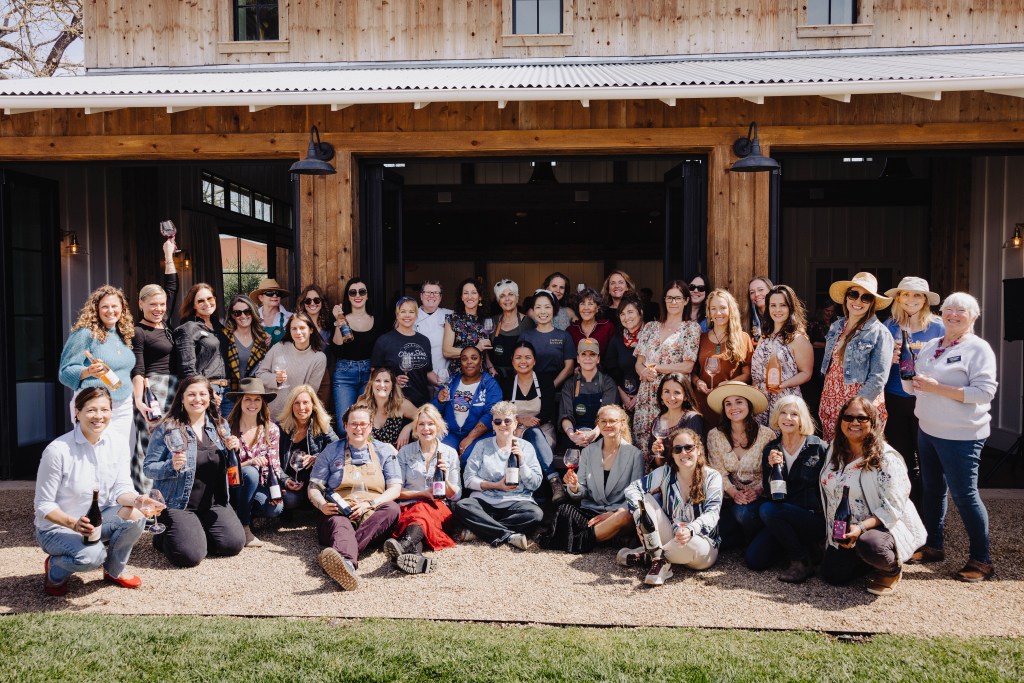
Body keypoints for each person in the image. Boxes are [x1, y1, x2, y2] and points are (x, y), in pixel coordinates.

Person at [909, 292, 998, 582]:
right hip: (928, 429)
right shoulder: (932, 345)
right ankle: (933, 545)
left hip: (961, 435)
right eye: (949, 310)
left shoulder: (978, 349)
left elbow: (984, 392)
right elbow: (916, 387)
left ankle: (981, 560)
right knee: (932, 489)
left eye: (961, 310)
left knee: (965, 495)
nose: (954, 315)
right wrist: (910, 377)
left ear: (974, 316)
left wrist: (938, 389)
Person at [34, 387, 147, 596]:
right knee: (92, 557)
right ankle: (56, 570)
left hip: (95, 521)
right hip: (57, 528)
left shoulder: (118, 443)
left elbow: (122, 489)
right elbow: (43, 506)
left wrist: (139, 500)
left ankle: (114, 571)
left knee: (136, 515)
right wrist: (73, 523)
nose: (99, 416)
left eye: (105, 409)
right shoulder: (57, 450)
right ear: (77, 412)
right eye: (91, 410)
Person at [819, 397, 926, 596]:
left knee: (871, 545)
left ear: (873, 422)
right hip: (843, 532)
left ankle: (891, 568)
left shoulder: (886, 459)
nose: (854, 423)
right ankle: (865, 560)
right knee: (833, 576)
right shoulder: (835, 449)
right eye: (848, 417)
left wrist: (860, 529)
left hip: (880, 529)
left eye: (862, 418)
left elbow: (893, 508)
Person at [144, 375, 246, 568]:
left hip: (213, 503)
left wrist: (235, 448)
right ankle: (165, 537)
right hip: (178, 503)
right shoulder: (167, 427)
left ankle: (194, 529)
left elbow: (227, 464)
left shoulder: (220, 426)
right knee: (189, 556)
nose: (197, 399)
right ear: (181, 398)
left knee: (232, 545)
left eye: (202, 394)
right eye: (191, 394)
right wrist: (170, 466)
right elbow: (149, 468)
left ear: (210, 397)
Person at [308, 405, 402, 591]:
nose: (358, 429)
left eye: (363, 424)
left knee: (392, 509)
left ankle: (340, 555)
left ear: (370, 427)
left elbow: (395, 489)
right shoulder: (331, 450)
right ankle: (348, 565)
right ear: (345, 425)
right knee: (340, 523)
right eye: (353, 424)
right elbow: (313, 487)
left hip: (372, 513)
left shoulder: (384, 450)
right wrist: (321, 505)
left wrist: (370, 504)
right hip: (339, 512)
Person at [619, 428, 723, 586]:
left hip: (701, 544)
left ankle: (651, 555)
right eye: (677, 449)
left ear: (699, 450)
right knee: (644, 500)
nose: (683, 453)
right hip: (671, 534)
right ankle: (660, 561)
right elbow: (632, 489)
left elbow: (713, 513)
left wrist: (691, 529)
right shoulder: (665, 472)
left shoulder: (713, 477)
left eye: (688, 447)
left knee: (691, 544)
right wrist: (640, 517)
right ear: (672, 454)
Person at [744, 395, 827, 583]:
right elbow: (771, 491)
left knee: (767, 509)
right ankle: (798, 547)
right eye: (783, 412)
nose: (788, 418)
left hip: (810, 517)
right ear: (777, 417)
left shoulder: (818, 447)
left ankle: (800, 561)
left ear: (802, 419)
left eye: (794, 414)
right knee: (754, 560)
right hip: (781, 516)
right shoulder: (771, 449)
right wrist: (773, 468)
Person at [542, 405, 644, 553]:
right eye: (603, 421)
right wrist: (575, 486)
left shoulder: (635, 454)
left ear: (622, 424)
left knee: (625, 516)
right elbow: (582, 492)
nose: (607, 425)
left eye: (612, 421)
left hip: (617, 514)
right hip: (591, 511)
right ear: (598, 424)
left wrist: (612, 513)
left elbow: (636, 495)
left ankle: (582, 540)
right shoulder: (589, 451)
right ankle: (608, 537)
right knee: (564, 510)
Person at [882, 277, 944, 505]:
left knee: (928, 457)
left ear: (925, 300)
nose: (911, 299)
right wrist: (889, 359)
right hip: (896, 397)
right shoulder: (889, 326)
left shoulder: (938, 327)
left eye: (917, 295)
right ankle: (910, 508)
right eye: (905, 294)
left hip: (926, 400)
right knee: (902, 456)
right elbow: (877, 365)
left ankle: (931, 512)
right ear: (898, 298)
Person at [59, 285, 136, 462]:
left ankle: (117, 490)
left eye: (115, 306)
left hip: (123, 404)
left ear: (122, 309)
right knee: (96, 455)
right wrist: (87, 371)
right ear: (96, 310)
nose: (111, 311)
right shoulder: (85, 333)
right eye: (105, 307)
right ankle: (93, 491)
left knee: (121, 454)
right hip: (95, 404)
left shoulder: (122, 334)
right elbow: (65, 372)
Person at [384, 404, 463, 574]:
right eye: (421, 424)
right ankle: (416, 557)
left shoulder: (449, 453)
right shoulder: (405, 452)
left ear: (438, 426)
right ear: (416, 428)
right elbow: (397, 491)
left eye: (431, 424)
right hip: (409, 507)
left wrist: (446, 475)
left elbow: (456, 496)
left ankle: (403, 544)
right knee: (419, 514)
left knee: (421, 511)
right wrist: (422, 493)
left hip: (440, 508)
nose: (426, 428)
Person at [455, 402, 544, 549]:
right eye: (498, 421)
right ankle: (508, 535)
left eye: (507, 421)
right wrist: (496, 485)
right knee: (463, 506)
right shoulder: (482, 446)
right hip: (485, 502)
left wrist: (521, 463)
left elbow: (535, 483)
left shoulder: (526, 447)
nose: (503, 424)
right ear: (493, 425)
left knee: (535, 514)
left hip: (517, 501)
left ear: (515, 424)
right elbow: (468, 479)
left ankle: (480, 530)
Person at [819, 272, 895, 442]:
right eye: (853, 294)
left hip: (860, 406)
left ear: (872, 303)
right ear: (846, 298)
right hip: (831, 402)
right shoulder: (836, 326)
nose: (858, 301)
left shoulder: (880, 333)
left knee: (859, 457)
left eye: (865, 297)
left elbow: (878, 378)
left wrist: (855, 406)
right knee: (834, 457)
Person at [129, 238, 179, 491]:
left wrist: (168, 253)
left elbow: (172, 286)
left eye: (161, 304)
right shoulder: (139, 332)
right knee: (148, 443)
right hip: (153, 390)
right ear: (141, 304)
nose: (159, 308)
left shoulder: (165, 322)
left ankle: (168, 495)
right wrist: (139, 401)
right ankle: (145, 497)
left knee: (172, 442)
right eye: (153, 305)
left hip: (174, 387)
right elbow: (137, 369)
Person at [705, 381, 776, 549]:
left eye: (739, 402)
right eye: (728, 403)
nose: (733, 407)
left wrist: (759, 489)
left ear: (748, 406)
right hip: (730, 496)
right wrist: (734, 492)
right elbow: (717, 472)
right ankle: (747, 537)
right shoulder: (715, 435)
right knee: (719, 538)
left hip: (761, 495)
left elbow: (773, 470)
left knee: (743, 514)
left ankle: (760, 540)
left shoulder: (766, 434)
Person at [632, 281, 700, 454]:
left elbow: (687, 365)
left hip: (671, 396)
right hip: (646, 394)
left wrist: (656, 368)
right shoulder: (649, 327)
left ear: (686, 301)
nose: (673, 302)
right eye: (669, 298)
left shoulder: (691, 328)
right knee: (643, 444)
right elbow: (639, 363)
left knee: (667, 446)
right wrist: (644, 372)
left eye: (678, 298)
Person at [500, 340, 566, 503]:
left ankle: (538, 496)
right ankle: (553, 482)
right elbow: (502, 412)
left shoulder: (544, 381)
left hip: (542, 430)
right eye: (518, 357)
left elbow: (547, 410)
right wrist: (520, 420)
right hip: (515, 430)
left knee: (534, 435)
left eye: (528, 357)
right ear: (512, 360)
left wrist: (532, 422)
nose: (523, 361)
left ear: (534, 361)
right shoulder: (508, 384)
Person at [224, 378, 284, 547]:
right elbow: (220, 469)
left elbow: (275, 465)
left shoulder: (271, 429)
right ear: (239, 401)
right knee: (250, 473)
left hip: (258, 484)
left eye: (257, 399)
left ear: (263, 403)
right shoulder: (227, 428)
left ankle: (238, 514)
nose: (253, 403)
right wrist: (248, 463)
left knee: (275, 509)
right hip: (231, 486)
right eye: (248, 399)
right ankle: (244, 526)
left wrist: (276, 487)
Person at [749, 285, 814, 426]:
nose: (777, 310)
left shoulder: (798, 339)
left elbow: (806, 373)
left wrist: (783, 385)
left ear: (791, 307)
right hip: (760, 401)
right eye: (773, 305)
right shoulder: (764, 337)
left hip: (785, 402)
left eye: (782, 305)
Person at [692, 288, 754, 430]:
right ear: (709, 312)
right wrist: (698, 382)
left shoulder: (742, 338)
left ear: (730, 310)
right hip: (702, 402)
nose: (718, 313)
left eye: (722, 308)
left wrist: (730, 384)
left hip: (730, 404)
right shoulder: (700, 338)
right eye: (713, 308)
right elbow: (692, 372)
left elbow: (747, 374)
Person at [331, 276, 384, 430]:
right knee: (343, 425)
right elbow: (337, 349)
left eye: (362, 291)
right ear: (348, 297)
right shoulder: (342, 319)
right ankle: (347, 453)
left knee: (365, 422)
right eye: (352, 292)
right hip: (344, 374)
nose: (358, 295)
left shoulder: (377, 320)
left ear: (367, 295)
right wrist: (338, 320)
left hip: (369, 374)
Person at [277, 384, 339, 513]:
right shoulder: (281, 428)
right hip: (290, 482)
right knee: (289, 500)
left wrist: (318, 457)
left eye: (306, 403)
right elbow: (274, 462)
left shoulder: (323, 426)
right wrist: (285, 480)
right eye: (297, 403)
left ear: (313, 405)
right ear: (291, 406)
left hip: (315, 482)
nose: (301, 408)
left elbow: (338, 448)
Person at [434, 346, 501, 463]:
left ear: (481, 361)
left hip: (479, 435)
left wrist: (470, 437)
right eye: (464, 359)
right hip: (452, 433)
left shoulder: (489, 384)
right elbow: (433, 410)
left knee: (468, 457)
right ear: (460, 362)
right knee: (440, 456)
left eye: (474, 358)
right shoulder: (451, 381)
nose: (469, 362)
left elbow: (492, 414)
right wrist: (439, 401)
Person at [371, 296, 440, 407]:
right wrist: (392, 380)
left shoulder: (424, 341)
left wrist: (440, 382)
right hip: (394, 402)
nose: (407, 315)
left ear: (416, 315)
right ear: (397, 314)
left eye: (411, 312)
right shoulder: (384, 341)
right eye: (403, 311)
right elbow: (374, 373)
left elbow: (428, 372)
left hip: (421, 401)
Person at [257, 311, 328, 418]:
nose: (298, 332)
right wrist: (274, 379)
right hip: (271, 414)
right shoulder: (279, 347)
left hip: (296, 417)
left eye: (302, 328)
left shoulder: (319, 358)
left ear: (311, 330)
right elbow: (259, 375)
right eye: (293, 328)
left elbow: (310, 393)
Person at [559, 338, 619, 455]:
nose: (588, 358)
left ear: (598, 359)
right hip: (575, 435)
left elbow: (607, 417)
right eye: (583, 354)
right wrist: (572, 436)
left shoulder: (607, 383)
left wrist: (594, 434)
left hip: (601, 433)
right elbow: (566, 416)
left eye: (592, 354)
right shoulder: (569, 384)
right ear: (578, 359)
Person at [173, 283, 230, 406]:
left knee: (226, 426)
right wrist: (206, 392)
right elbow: (187, 369)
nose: (207, 303)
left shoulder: (220, 328)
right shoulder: (188, 329)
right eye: (200, 301)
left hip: (228, 390)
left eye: (210, 298)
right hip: (206, 390)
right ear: (193, 305)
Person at [220, 294, 270, 417]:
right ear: (232, 315)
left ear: (252, 312)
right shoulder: (225, 336)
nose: (243, 316)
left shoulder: (262, 338)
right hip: (230, 394)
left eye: (247, 311)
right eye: (238, 313)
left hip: (253, 394)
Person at [518, 289, 576, 390]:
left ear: (554, 310)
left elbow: (569, 368)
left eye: (547, 307)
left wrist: (551, 386)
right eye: (538, 307)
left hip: (559, 390)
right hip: (530, 388)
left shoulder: (564, 336)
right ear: (533, 310)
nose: (543, 311)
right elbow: (518, 363)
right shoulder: (525, 336)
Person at [647, 373, 704, 469]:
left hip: (687, 476)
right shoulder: (657, 421)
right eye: (667, 391)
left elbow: (698, 457)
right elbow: (658, 465)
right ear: (661, 395)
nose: (671, 397)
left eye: (677, 392)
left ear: (685, 396)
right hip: (664, 476)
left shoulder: (693, 419)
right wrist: (658, 453)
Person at [355, 366, 418, 449]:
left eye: (386, 381)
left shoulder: (401, 404)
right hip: (370, 456)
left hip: (395, 458)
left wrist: (408, 428)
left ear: (392, 386)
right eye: (377, 381)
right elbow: (354, 433)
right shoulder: (362, 406)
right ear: (371, 384)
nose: (382, 385)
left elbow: (426, 417)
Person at [442, 278, 491, 379]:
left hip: (481, 374)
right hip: (459, 374)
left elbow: (485, 349)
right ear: (461, 297)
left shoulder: (485, 320)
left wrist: (490, 366)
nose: (469, 297)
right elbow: (446, 351)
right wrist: (475, 349)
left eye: (474, 293)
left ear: (480, 297)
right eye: (465, 293)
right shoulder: (453, 319)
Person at [604, 295, 644, 413]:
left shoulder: (651, 336)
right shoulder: (617, 339)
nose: (626, 317)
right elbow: (610, 369)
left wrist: (639, 396)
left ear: (640, 313)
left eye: (630, 312)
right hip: (623, 397)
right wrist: (622, 395)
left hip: (647, 396)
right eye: (622, 314)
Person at [414, 280, 453, 385]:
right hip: (419, 378)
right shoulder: (411, 317)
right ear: (421, 296)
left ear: (440, 297)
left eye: (436, 293)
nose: (432, 296)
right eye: (428, 292)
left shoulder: (450, 315)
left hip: (444, 376)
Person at [487, 278, 526, 381]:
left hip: (519, 377)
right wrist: (490, 367)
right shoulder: (493, 321)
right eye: (502, 296)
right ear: (498, 301)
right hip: (494, 376)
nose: (507, 299)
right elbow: (485, 349)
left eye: (511, 294)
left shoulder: (527, 322)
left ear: (517, 298)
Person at [567, 287, 615, 359]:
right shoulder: (571, 330)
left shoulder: (607, 328)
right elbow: (569, 358)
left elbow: (612, 357)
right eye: (582, 304)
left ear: (597, 308)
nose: (586, 308)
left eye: (590, 304)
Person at [250, 278, 292, 347]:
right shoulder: (252, 318)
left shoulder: (290, 318)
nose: (275, 296)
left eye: (277, 293)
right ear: (261, 298)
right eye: (270, 293)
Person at [746, 276, 774, 347]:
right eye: (752, 292)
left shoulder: (779, 316)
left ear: (770, 291)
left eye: (760, 290)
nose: (756, 294)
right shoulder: (746, 320)